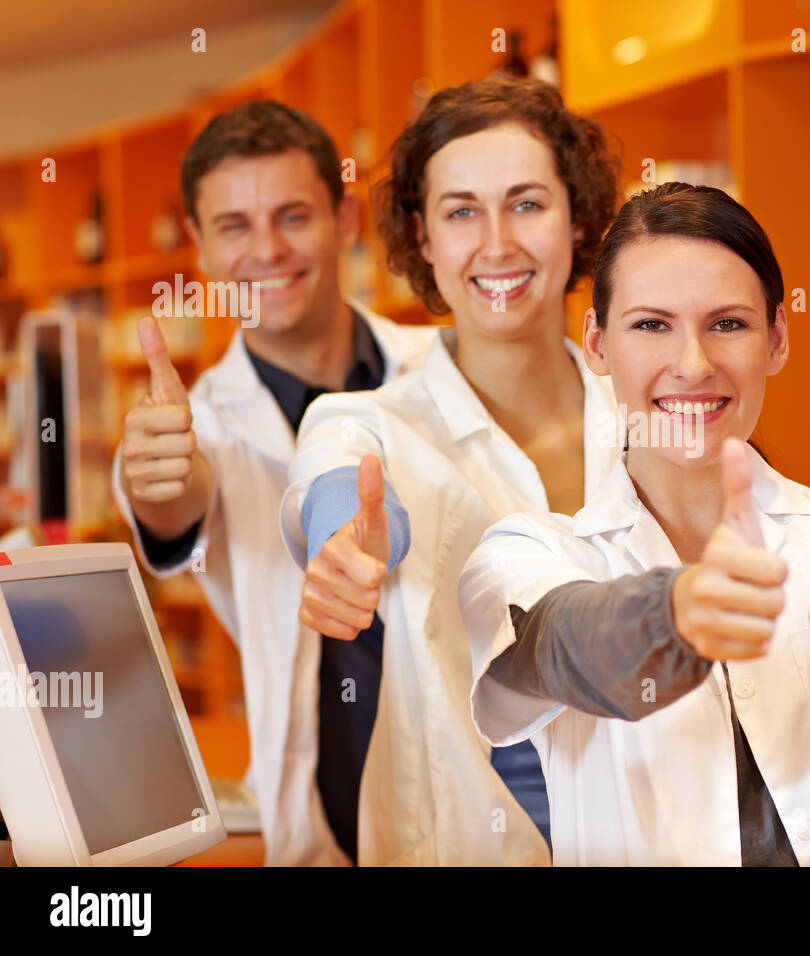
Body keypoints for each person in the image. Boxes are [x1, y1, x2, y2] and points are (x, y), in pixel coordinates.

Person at [457, 182, 810, 866]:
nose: (693, 365)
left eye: (728, 323)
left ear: (777, 338)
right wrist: (675, 615)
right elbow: (563, 642)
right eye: (650, 325)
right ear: (597, 344)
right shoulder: (529, 554)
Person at [279, 78, 621, 865]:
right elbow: (340, 493)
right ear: (423, 238)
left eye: (527, 203)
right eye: (461, 211)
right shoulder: (369, 421)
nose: (497, 243)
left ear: (577, 218)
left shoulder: (652, 423)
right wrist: (344, 545)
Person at [112, 101, 438, 866]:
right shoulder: (201, 429)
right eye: (234, 226)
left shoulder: (441, 372)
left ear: (347, 217)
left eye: (293, 215)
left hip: (477, 810)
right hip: (323, 828)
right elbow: (172, 505)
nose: (266, 249)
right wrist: (159, 479)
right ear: (198, 245)